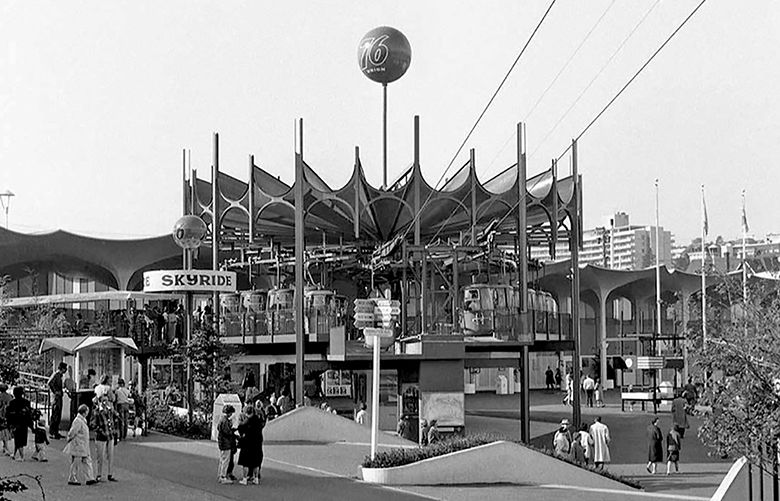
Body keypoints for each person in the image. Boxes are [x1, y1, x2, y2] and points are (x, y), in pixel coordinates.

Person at [65, 404, 97, 486]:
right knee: (77, 462)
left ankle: (89, 478)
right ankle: (73, 477)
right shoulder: (78, 421)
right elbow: (73, 432)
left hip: (83, 444)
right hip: (78, 445)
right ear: (84, 412)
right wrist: (69, 438)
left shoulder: (81, 420)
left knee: (86, 460)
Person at [91, 394, 119, 482]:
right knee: (100, 457)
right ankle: (99, 474)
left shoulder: (110, 410)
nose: (105, 402)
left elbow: (116, 418)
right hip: (101, 437)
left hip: (110, 436)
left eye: (106, 401)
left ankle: (110, 474)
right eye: (103, 401)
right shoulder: (97, 411)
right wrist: (100, 430)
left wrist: (115, 431)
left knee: (110, 455)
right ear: (99, 402)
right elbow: (92, 424)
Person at [237, 403, 265, 485]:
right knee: (256, 463)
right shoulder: (258, 421)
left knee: (245, 463)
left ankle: (245, 479)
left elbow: (240, 428)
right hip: (257, 444)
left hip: (247, 444)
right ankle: (256, 478)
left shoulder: (247, 422)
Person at [6, 386, 33, 461]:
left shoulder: (12, 403)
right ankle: (14, 454)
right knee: (21, 439)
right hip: (24, 423)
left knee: (17, 439)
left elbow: (9, 414)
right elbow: (29, 414)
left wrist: (9, 424)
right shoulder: (26, 402)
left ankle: (22, 456)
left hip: (15, 423)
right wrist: (31, 425)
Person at [217, 404, 238, 484]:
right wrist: (233, 431)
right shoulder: (225, 421)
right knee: (226, 460)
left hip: (222, 442)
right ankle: (223, 476)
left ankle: (220, 475)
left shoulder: (221, 419)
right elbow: (228, 432)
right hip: (226, 442)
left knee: (222, 459)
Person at [48, 362, 68, 439]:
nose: (65, 370)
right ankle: (52, 432)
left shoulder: (60, 376)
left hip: (59, 397)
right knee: (55, 414)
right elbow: (49, 383)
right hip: (56, 398)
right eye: (65, 368)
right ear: (62, 368)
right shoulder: (56, 375)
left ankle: (56, 431)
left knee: (58, 414)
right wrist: (55, 391)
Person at [0, 383, 13, 456]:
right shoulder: (10, 397)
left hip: (1, 415)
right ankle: (5, 446)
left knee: (3, 430)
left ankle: (6, 447)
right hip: (8, 416)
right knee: (5, 430)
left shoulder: (0, 397)